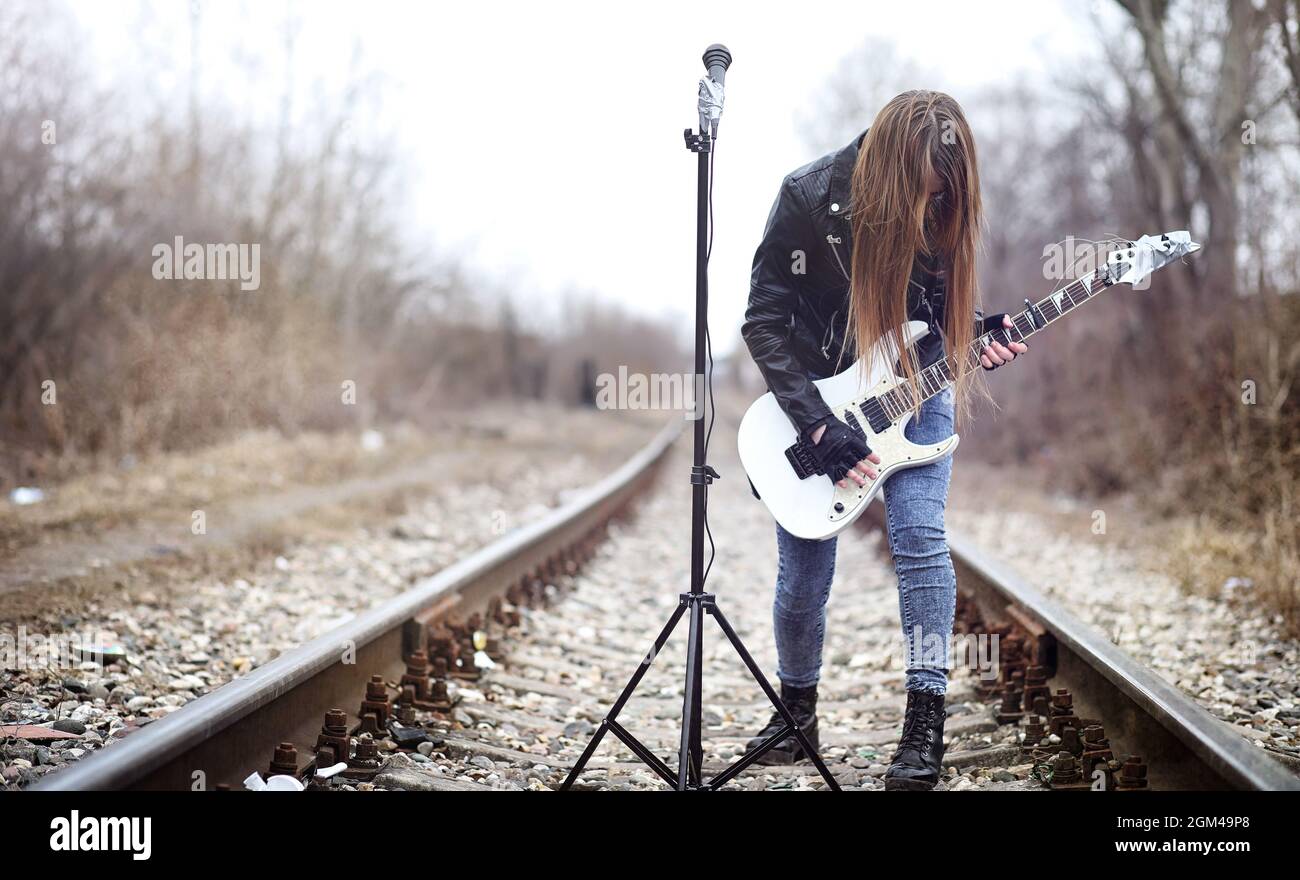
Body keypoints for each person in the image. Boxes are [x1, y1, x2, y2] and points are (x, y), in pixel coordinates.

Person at [740, 90, 1027, 790]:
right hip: (821, 400)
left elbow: (929, 312)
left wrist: (977, 333)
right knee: (803, 571)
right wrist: (815, 422)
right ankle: (795, 712)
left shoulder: (943, 205)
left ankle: (924, 720)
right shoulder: (807, 198)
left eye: (944, 196)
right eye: (925, 191)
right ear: (895, 168)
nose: (934, 205)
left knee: (920, 536)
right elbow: (764, 321)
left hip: (917, 384)